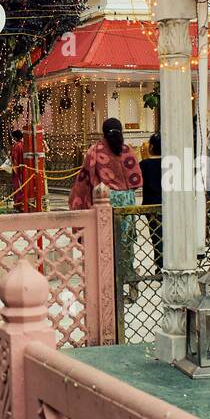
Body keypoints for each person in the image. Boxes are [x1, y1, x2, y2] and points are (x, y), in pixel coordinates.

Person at [70, 117, 143, 300]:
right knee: (126, 246)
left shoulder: (95, 151)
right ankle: (131, 285)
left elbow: (85, 180)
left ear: (103, 132)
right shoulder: (128, 151)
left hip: (106, 202)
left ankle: (109, 291)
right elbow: (136, 180)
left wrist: (77, 199)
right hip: (127, 203)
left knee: (105, 245)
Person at [139, 132, 163, 275]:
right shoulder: (170, 163)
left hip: (151, 207)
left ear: (151, 147)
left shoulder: (144, 164)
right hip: (168, 205)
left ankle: (160, 266)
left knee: (157, 237)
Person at [10, 128, 29, 212]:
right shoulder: (25, 144)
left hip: (18, 170)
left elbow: (14, 159)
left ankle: (19, 204)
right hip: (26, 169)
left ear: (15, 137)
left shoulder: (16, 146)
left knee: (18, 187)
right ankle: (25, 203)